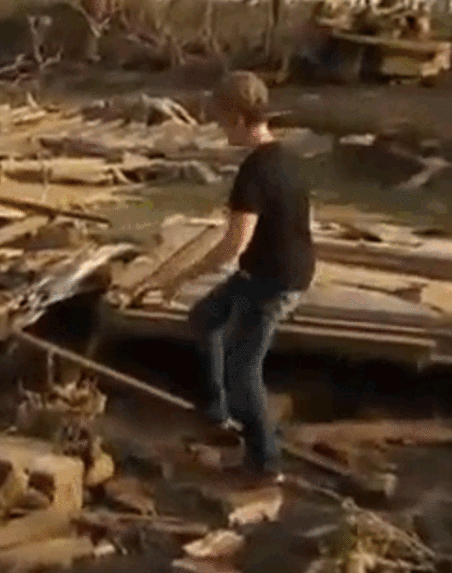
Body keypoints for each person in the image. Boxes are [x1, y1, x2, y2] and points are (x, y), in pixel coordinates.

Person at [135, 71, 316, 476]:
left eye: (220, 122)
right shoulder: (288, 158)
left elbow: (233, 244)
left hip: (274, 280)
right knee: (204, 317)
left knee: (243, 369)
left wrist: (176, 278)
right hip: (277, 268)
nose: (220, 132)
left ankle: (264, 461)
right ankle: (216, 412)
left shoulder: (253, 173)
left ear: (236, 119)